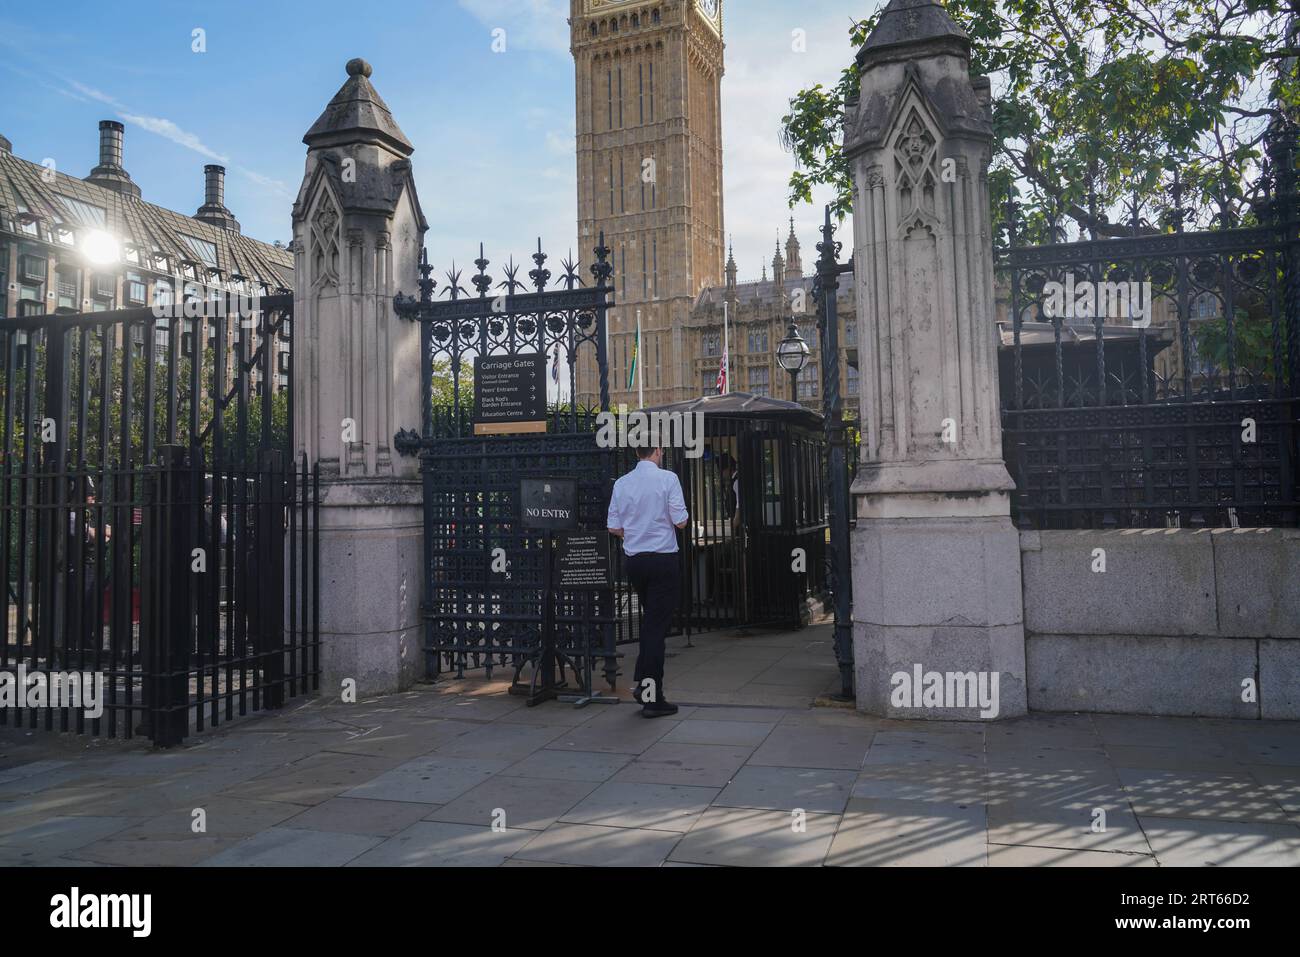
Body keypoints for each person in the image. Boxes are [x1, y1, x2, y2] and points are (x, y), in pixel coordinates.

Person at [607, 444, 689, 717]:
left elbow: (614, 527)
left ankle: (644, 683)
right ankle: (652, 698)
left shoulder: (622, 483)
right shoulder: (668, 479)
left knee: (651, 624)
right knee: (656, 628)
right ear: (657, 450)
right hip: (663, 560)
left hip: (635, 562)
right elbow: (680, 521)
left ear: (635, 453)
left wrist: (634, 533)